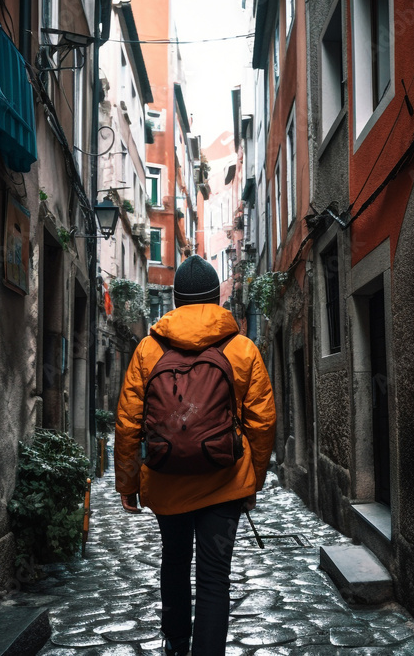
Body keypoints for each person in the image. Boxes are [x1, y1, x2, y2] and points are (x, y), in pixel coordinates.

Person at [114, 255, 276, 656]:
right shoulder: (242, 349)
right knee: (214, 578)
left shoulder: (148, 350)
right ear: (216, 297)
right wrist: (252, 481)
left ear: (175, 299)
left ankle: (176, 642)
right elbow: (262, 422)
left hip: (167, 480)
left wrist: (128, 483)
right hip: (224, 482)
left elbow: (129, 423)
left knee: (174, 563)